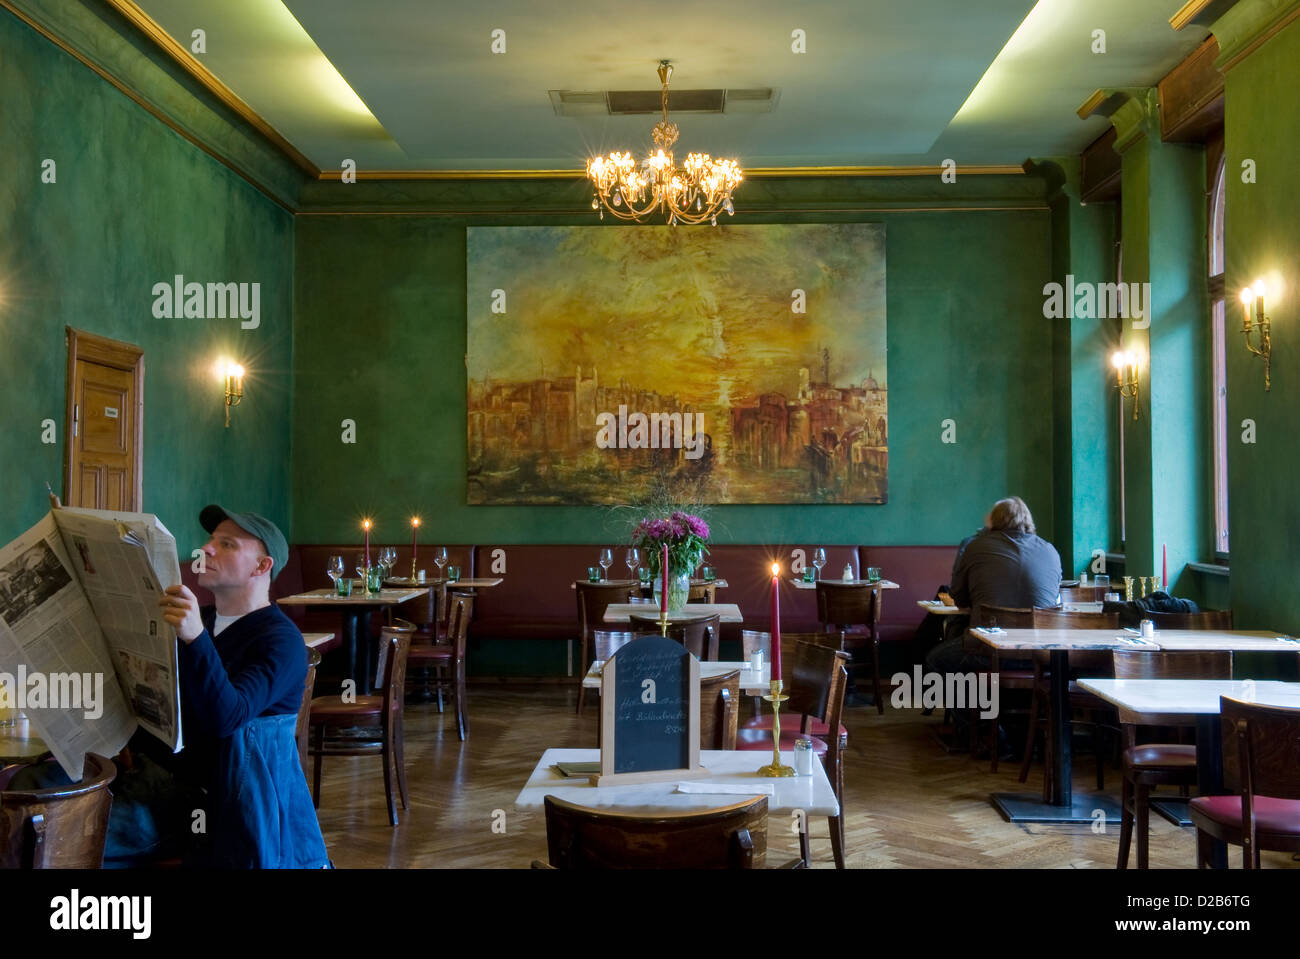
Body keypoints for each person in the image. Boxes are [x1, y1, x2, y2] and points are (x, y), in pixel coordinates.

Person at [153, 504, 328, 868]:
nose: (207, 550)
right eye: (210, 541)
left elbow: (227, 718)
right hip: (164, 783)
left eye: (228, 544)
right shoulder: (199, 621)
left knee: (64, 828)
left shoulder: (281, 642)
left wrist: (195, 639)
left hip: (223, 811)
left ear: (262, 567)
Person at [925, 497, 1062, 676]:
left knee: (934, 659)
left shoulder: (975, 547)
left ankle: (969, 703)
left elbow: (959, 598)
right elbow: (1055, 599)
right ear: (1028, 520)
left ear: (994, 521)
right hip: (1040, 654)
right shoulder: (1050, 550)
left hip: (987, 650)